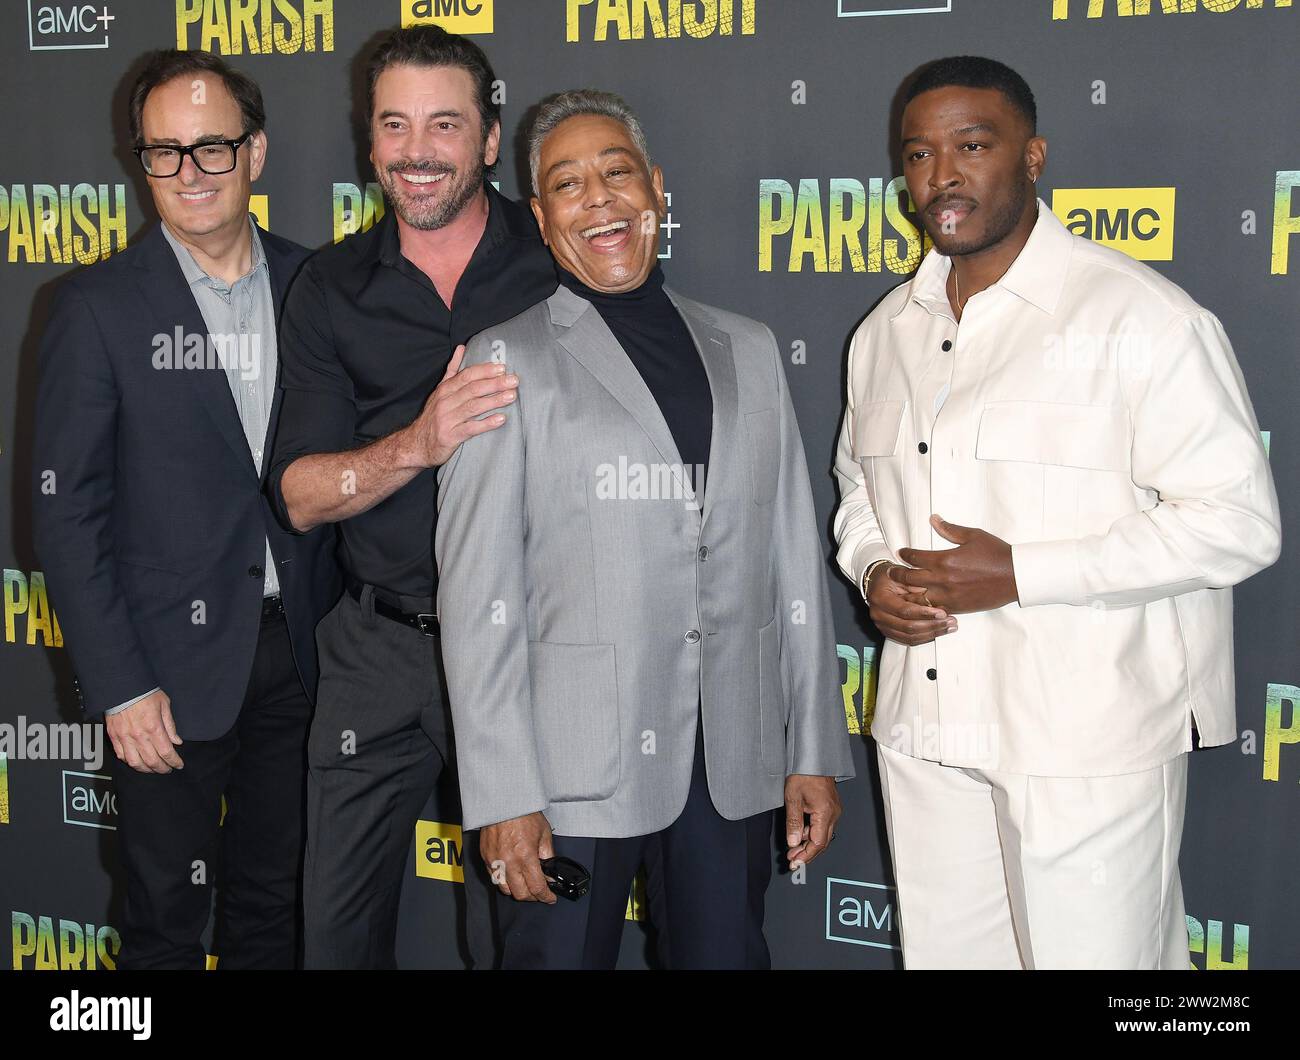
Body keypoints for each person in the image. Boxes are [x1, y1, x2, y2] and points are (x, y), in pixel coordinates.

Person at [832, 55, 1281, 969]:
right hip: (927, 731)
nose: (942, 175)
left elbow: (1239, 521)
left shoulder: (1142, 318)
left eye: (972, 144)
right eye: (918, 154)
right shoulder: (887, 331)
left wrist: (1022, 572)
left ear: (1033, 157)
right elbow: (856, 492)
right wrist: (874, 569)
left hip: (1087, 740)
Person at [435, 89, 854, 970]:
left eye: (616, 172)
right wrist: (503, 792)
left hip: (732, 757)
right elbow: (479, 597)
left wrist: (811, 746)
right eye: (567, 184)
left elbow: (791, 560)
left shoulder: (749, 348)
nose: (599, 199)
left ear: (656, 189)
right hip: (570, 771)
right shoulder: (505, 358)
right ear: (543, 219)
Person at [31, 49, 340, 969]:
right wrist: (119, 684)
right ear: (142, 164)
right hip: (163, 673)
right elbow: (66, 513)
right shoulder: (93, 308)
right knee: (163, 922)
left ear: (256, 153)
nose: (188, 173)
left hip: (301, 656)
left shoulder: (314, 286)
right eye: (164, 152)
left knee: (273, 906)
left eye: (211, 147)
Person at [265, 25, 556, 969]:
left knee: (526, 933)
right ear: (369, 140)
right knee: (338, 942)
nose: (416, 150)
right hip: (378, 650)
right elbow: (303, 496)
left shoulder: (560, 258)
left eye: (444, 123)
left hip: (536, 649)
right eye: (394, 125)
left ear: (488, 137)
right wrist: (417, 444)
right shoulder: (330, 286)